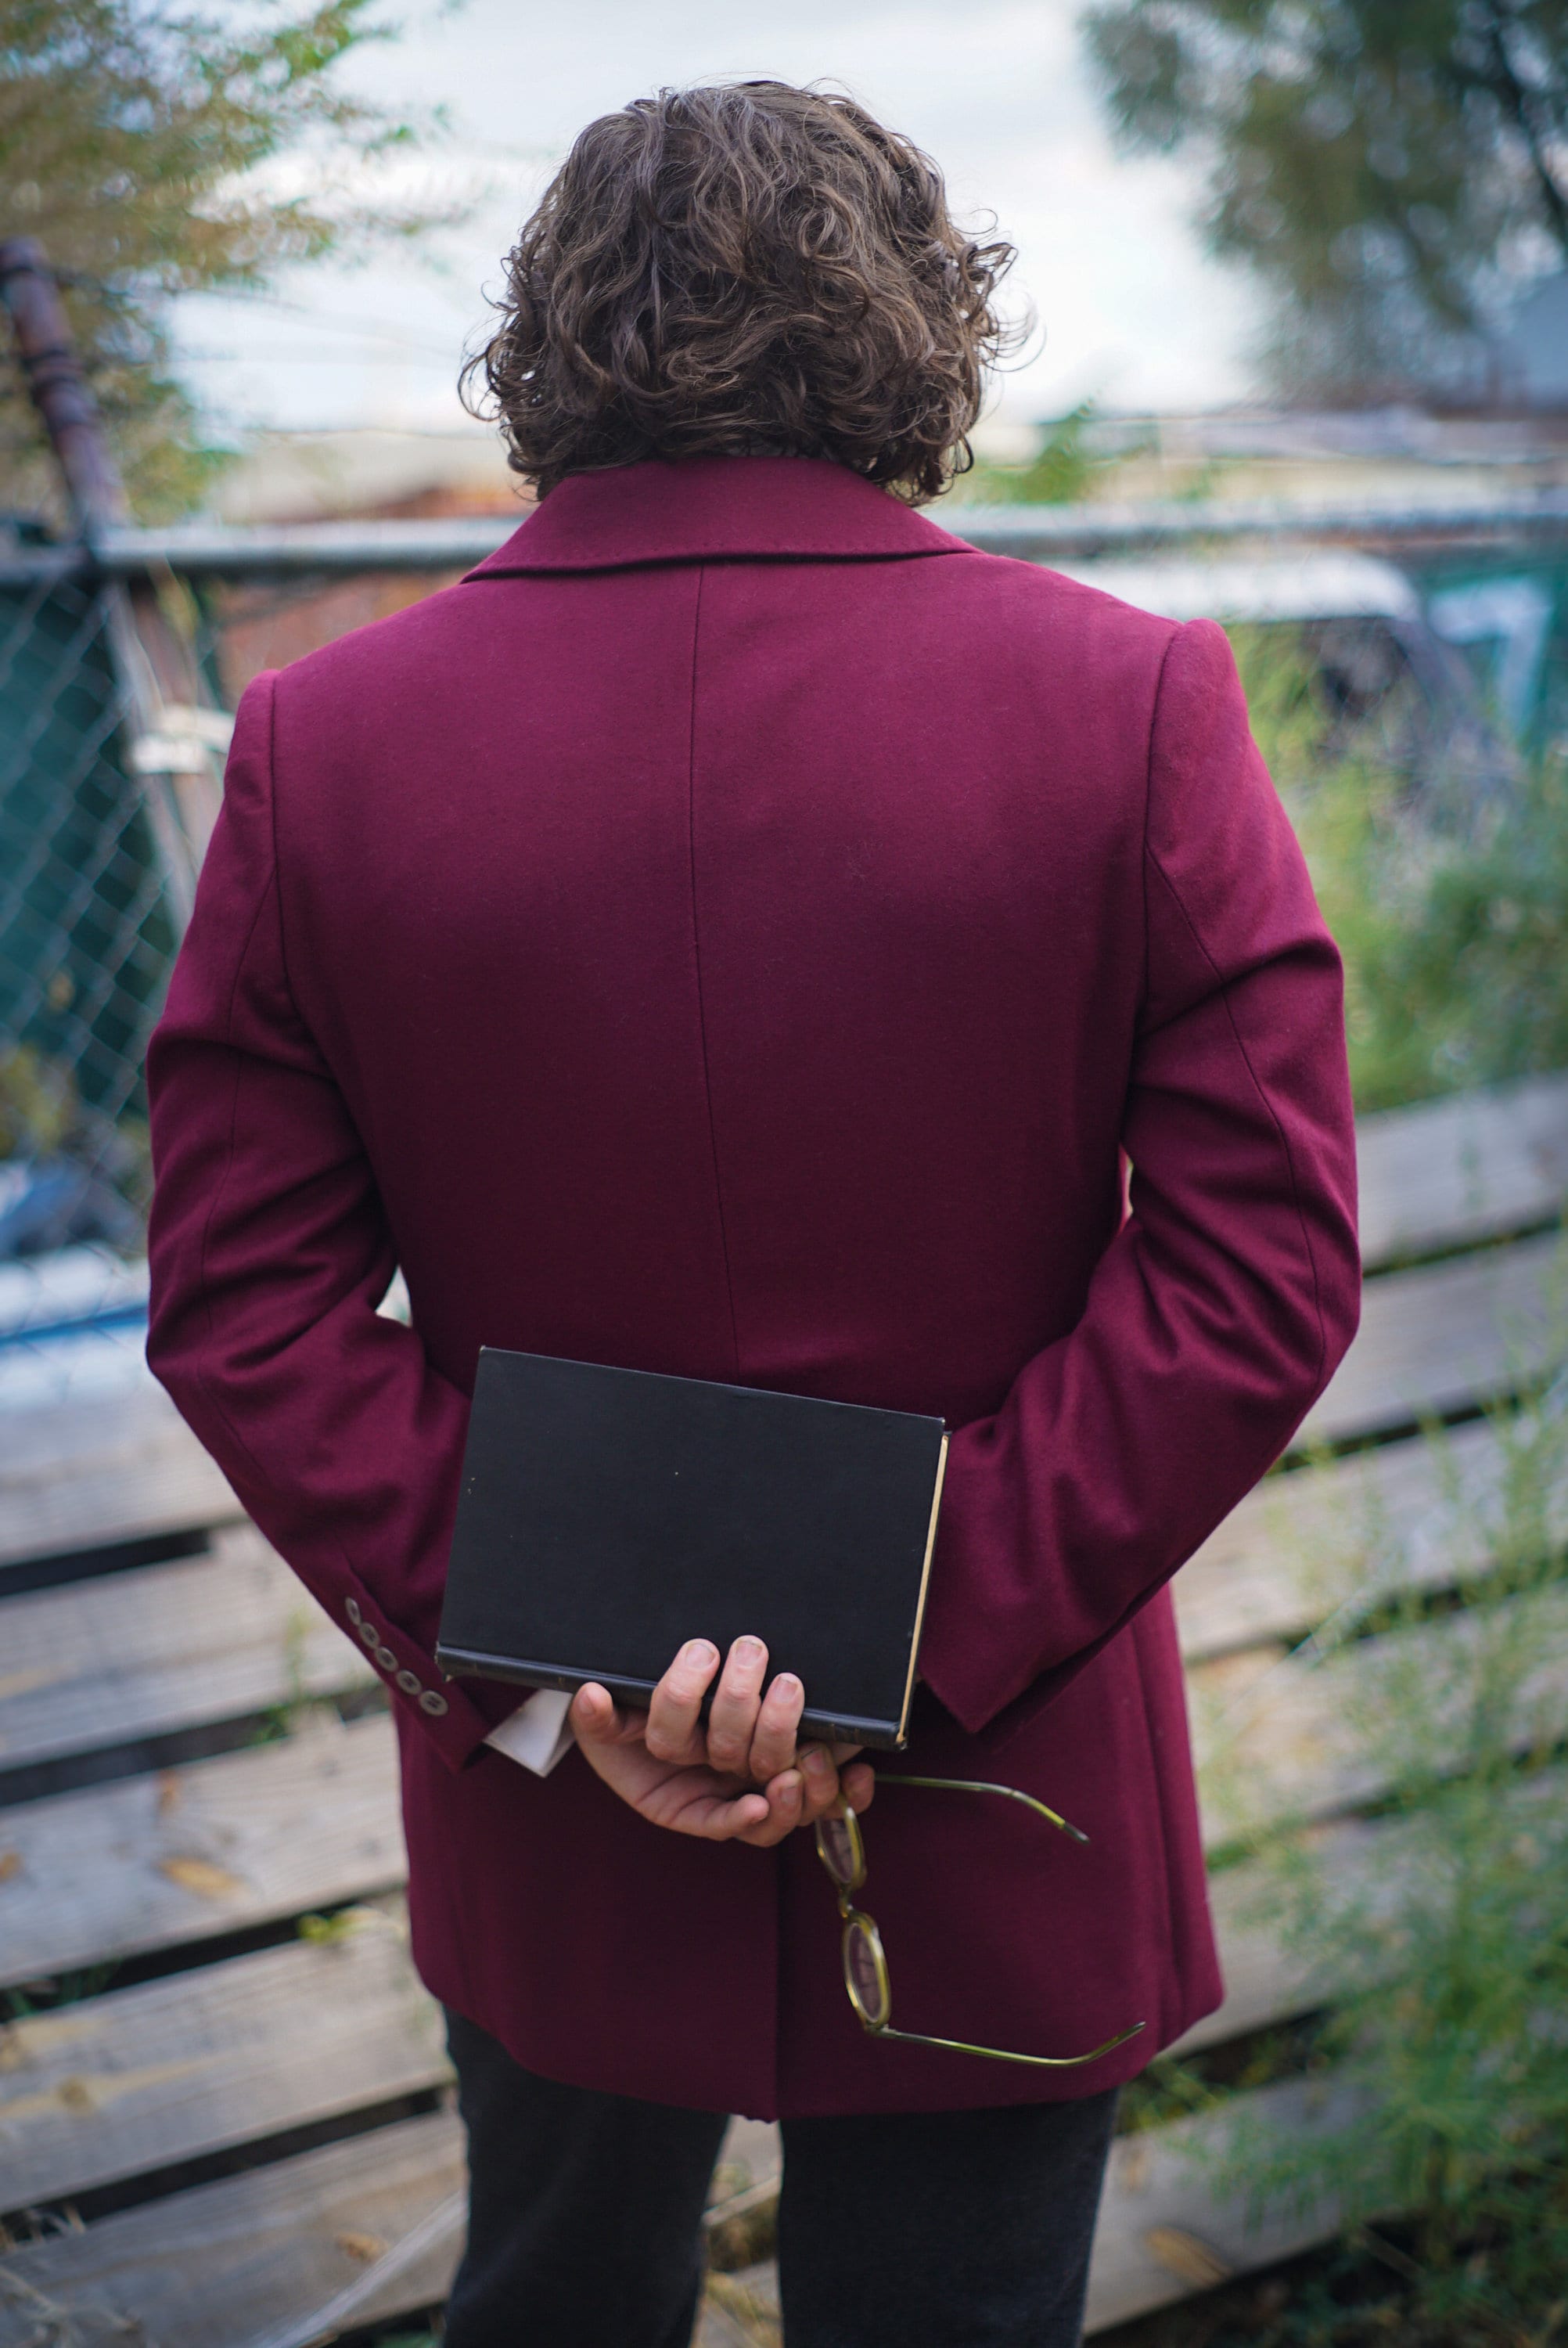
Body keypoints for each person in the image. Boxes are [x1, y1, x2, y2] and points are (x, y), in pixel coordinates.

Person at [145, 78, 1361, 2348]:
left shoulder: (326, 748)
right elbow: (1254, 1266)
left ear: (547, 345)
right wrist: (906, 1644)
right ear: (915, 321)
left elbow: (242, 1309)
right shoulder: (1132, 708)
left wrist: (545, 1666)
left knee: (551, 2304)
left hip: (546, 1803)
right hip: (1003, 1776)